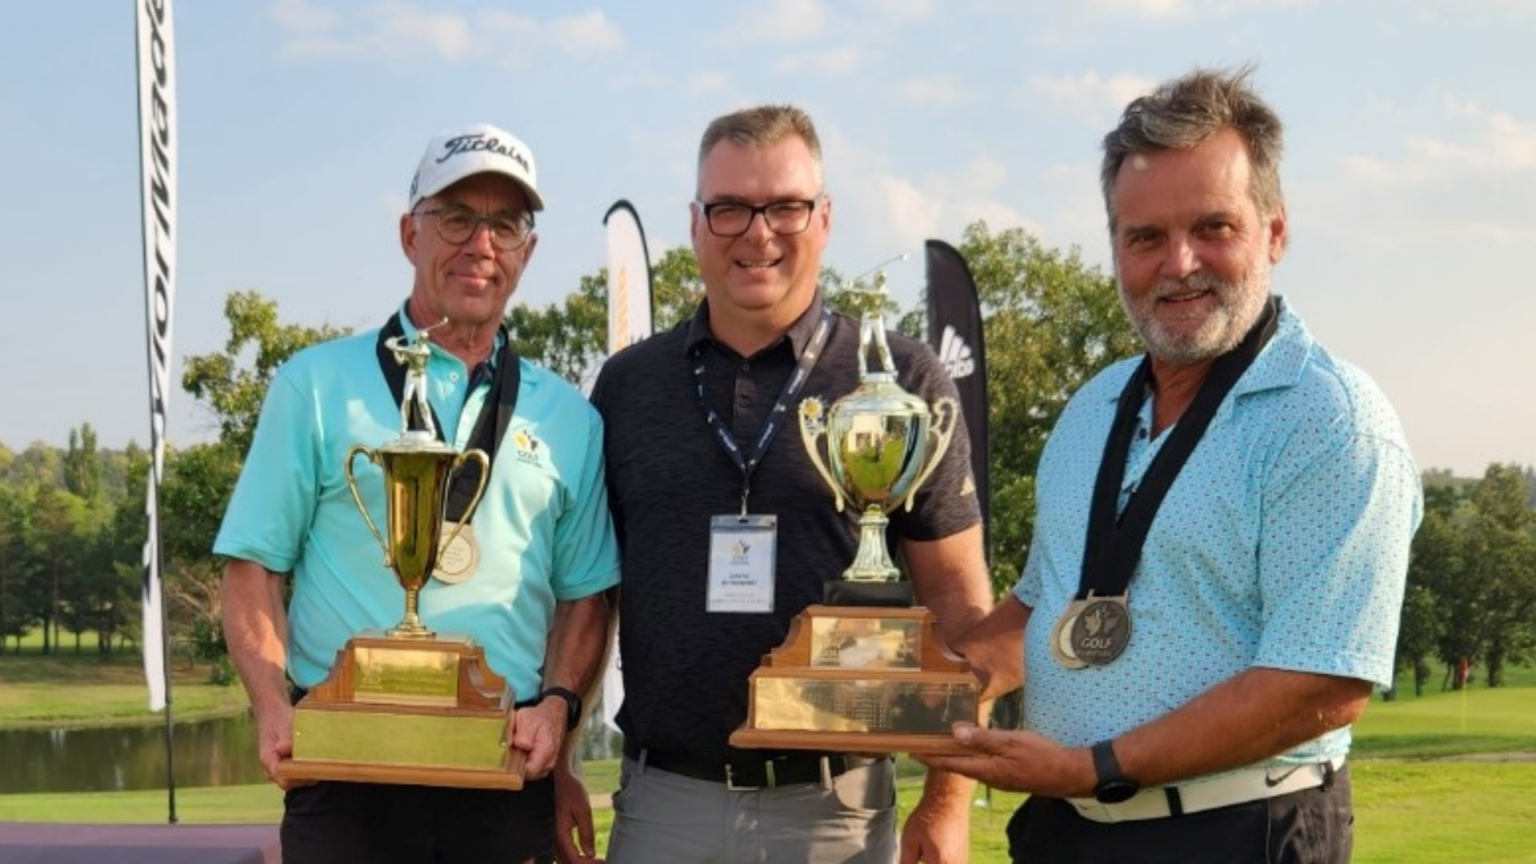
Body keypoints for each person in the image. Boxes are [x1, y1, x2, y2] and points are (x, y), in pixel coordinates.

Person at [919, 67, 1423, 863]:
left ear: (1275, 233)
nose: (1178, 262)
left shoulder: (1331, 419)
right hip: (1064, 830)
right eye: (1145, 236)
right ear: (1117, 246)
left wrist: (1096, 768)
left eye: (1213, 228)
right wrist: (899, 693)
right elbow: (1046, 608)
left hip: (1237, 833)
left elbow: (1322, 683)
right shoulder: (1093, 409)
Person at [559, 104, 993, 864]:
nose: (758, 234)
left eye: (785, 207)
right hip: (664, 804)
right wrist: (562, 761)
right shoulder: (630, 385)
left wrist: (949, 798)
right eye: (729, 209)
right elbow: (592, 595)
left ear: (823, 218)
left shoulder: (900, 380)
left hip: (839, 809)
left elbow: (960, 601)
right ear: (696, 224)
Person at [217, 123, 621, 864]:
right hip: (345, 769)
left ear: (528, 251)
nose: (482, 245)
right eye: (457, 218)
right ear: (411, 234)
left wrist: (559, 715)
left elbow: (585, 596)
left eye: (506, 224)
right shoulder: (314, 384)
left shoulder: (571, 418)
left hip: (501, 769)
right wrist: (272, 704)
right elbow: (251, 567)